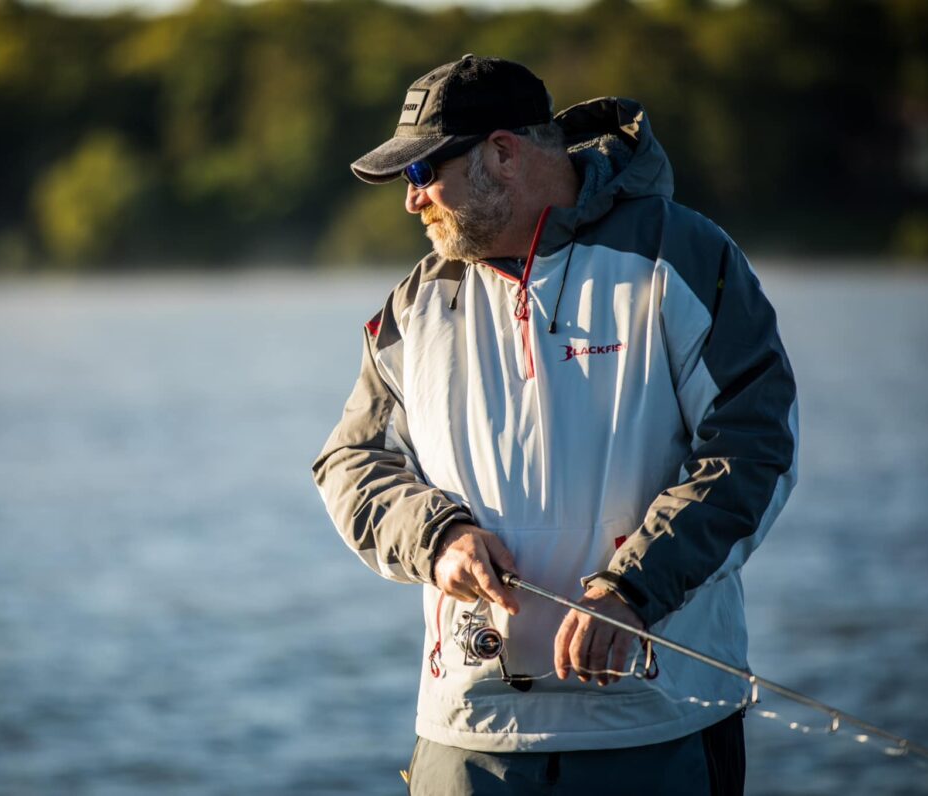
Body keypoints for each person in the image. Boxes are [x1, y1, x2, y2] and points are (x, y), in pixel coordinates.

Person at [312, 55, 798, 795]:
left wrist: (632, 589)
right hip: (468, 737)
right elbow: (350, 463)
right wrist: (437, 537)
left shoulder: (682, 256)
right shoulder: (415, 303)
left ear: (502, 155)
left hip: (660, 726)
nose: (413, 203)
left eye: (422, 175)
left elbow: (754, 447)